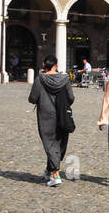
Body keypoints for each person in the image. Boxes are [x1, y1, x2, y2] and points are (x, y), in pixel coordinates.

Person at [29, 54, 75, 186]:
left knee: (49, 143)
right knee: (59, 143)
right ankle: (49, 170)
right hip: (62, 115)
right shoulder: (65, 79)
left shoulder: (40, 79)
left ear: (44, 65)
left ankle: (55, 174)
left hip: (45, 116)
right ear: (56, 65)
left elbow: (32, 98)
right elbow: (71, 98)